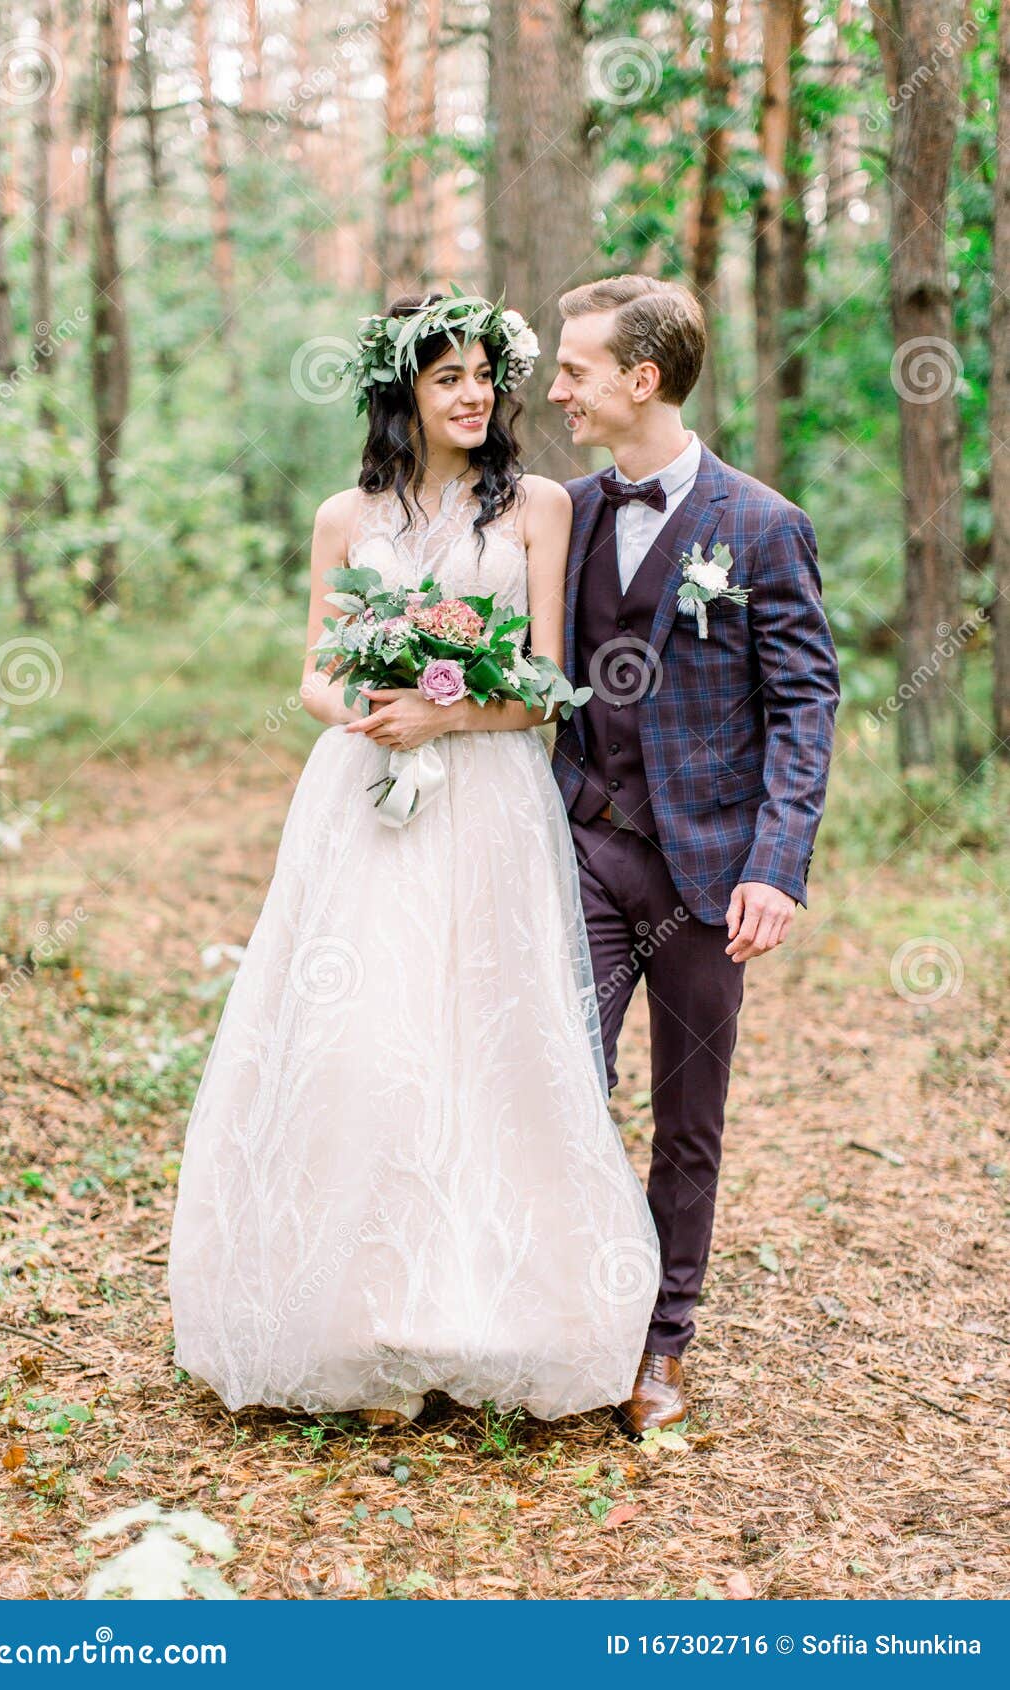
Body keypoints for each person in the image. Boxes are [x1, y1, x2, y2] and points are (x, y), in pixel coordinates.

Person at [168, 290, 660, 1428]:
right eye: (448, 377)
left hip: (487, 801)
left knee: (485, 1037)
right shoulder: (345, 515)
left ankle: (488, 1311)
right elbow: (309, 670)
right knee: (362, 1033)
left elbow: (544, 686)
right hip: (365, 798)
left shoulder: (537, 505)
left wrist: (449, 712)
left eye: (485, 373)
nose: (476, 393)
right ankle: (357, 1322)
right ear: (403, 392)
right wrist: (368, 702)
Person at [548, 275, 840, 1434]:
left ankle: (659, 1341)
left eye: (574, 368)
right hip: (580, 849)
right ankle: (559, 1313)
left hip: (708, 874)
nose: (556, 388)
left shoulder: (761, 525)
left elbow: (803, 703)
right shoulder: (563, 511)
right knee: (558, 1079)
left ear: (640, 379)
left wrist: (774, 861)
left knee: (688, 1114)